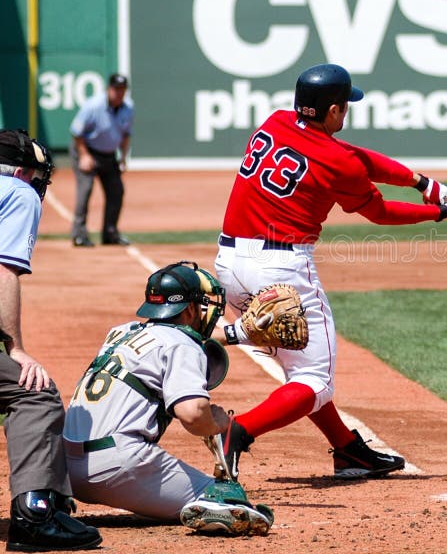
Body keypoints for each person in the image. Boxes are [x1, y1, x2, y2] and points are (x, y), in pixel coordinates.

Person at [214, 63, 447, 481]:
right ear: (333, 110)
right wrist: (442, 211)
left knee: (300, 368)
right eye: (345, 108)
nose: (347, 113)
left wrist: (420, 181)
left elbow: (356, 158)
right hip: (282, 270)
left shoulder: (276, 122)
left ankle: (348, 451)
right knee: (314, 380)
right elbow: (380, 212)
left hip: (230, 266)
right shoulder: (338, 163)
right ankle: (237, 433)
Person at [63, 261, 273, 535]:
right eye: (202, 304)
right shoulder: (182, 344)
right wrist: (217, 423)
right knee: (228, 498)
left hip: (65, 470)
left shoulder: (120, 332)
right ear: (189, 309)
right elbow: (193, 414)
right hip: (118, 466)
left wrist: (238, 334)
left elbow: (166, 338)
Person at [0, 129, 102, 551]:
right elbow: (3, 272)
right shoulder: (17, 192)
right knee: (33, 393)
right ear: (22, 171)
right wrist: (15, 348)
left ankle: (51, 494)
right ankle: (35, 514)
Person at [69, 73, 134, 247]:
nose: (119, 93)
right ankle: (79, 234)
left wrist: (123, 158)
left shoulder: (128, 108)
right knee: (86, 190)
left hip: (109, 155)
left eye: (122, 89)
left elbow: (126, 135)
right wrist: (84, 156)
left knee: (116, 191)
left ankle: (110, 233)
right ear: (109, 89)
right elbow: (77, 133)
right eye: (116, 89)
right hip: (86, 150)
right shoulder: (93, 106)